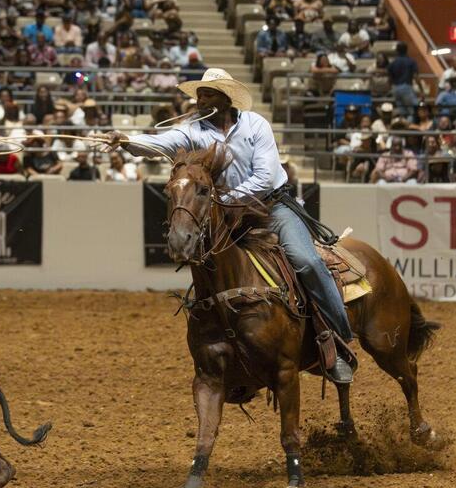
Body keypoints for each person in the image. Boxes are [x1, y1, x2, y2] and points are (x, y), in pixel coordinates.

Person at [103, 68, 356, 384]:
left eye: (207, 94)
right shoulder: (194, 131)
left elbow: (265, 178)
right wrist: (125, 140)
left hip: (272, 207)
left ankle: (341, 338)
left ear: (225, 98)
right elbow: (160, 143)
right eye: (199, 94)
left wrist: (223, 201)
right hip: (228, 216)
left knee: (307, 261)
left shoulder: (256, 125)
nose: (200, 100)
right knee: (210, 267)